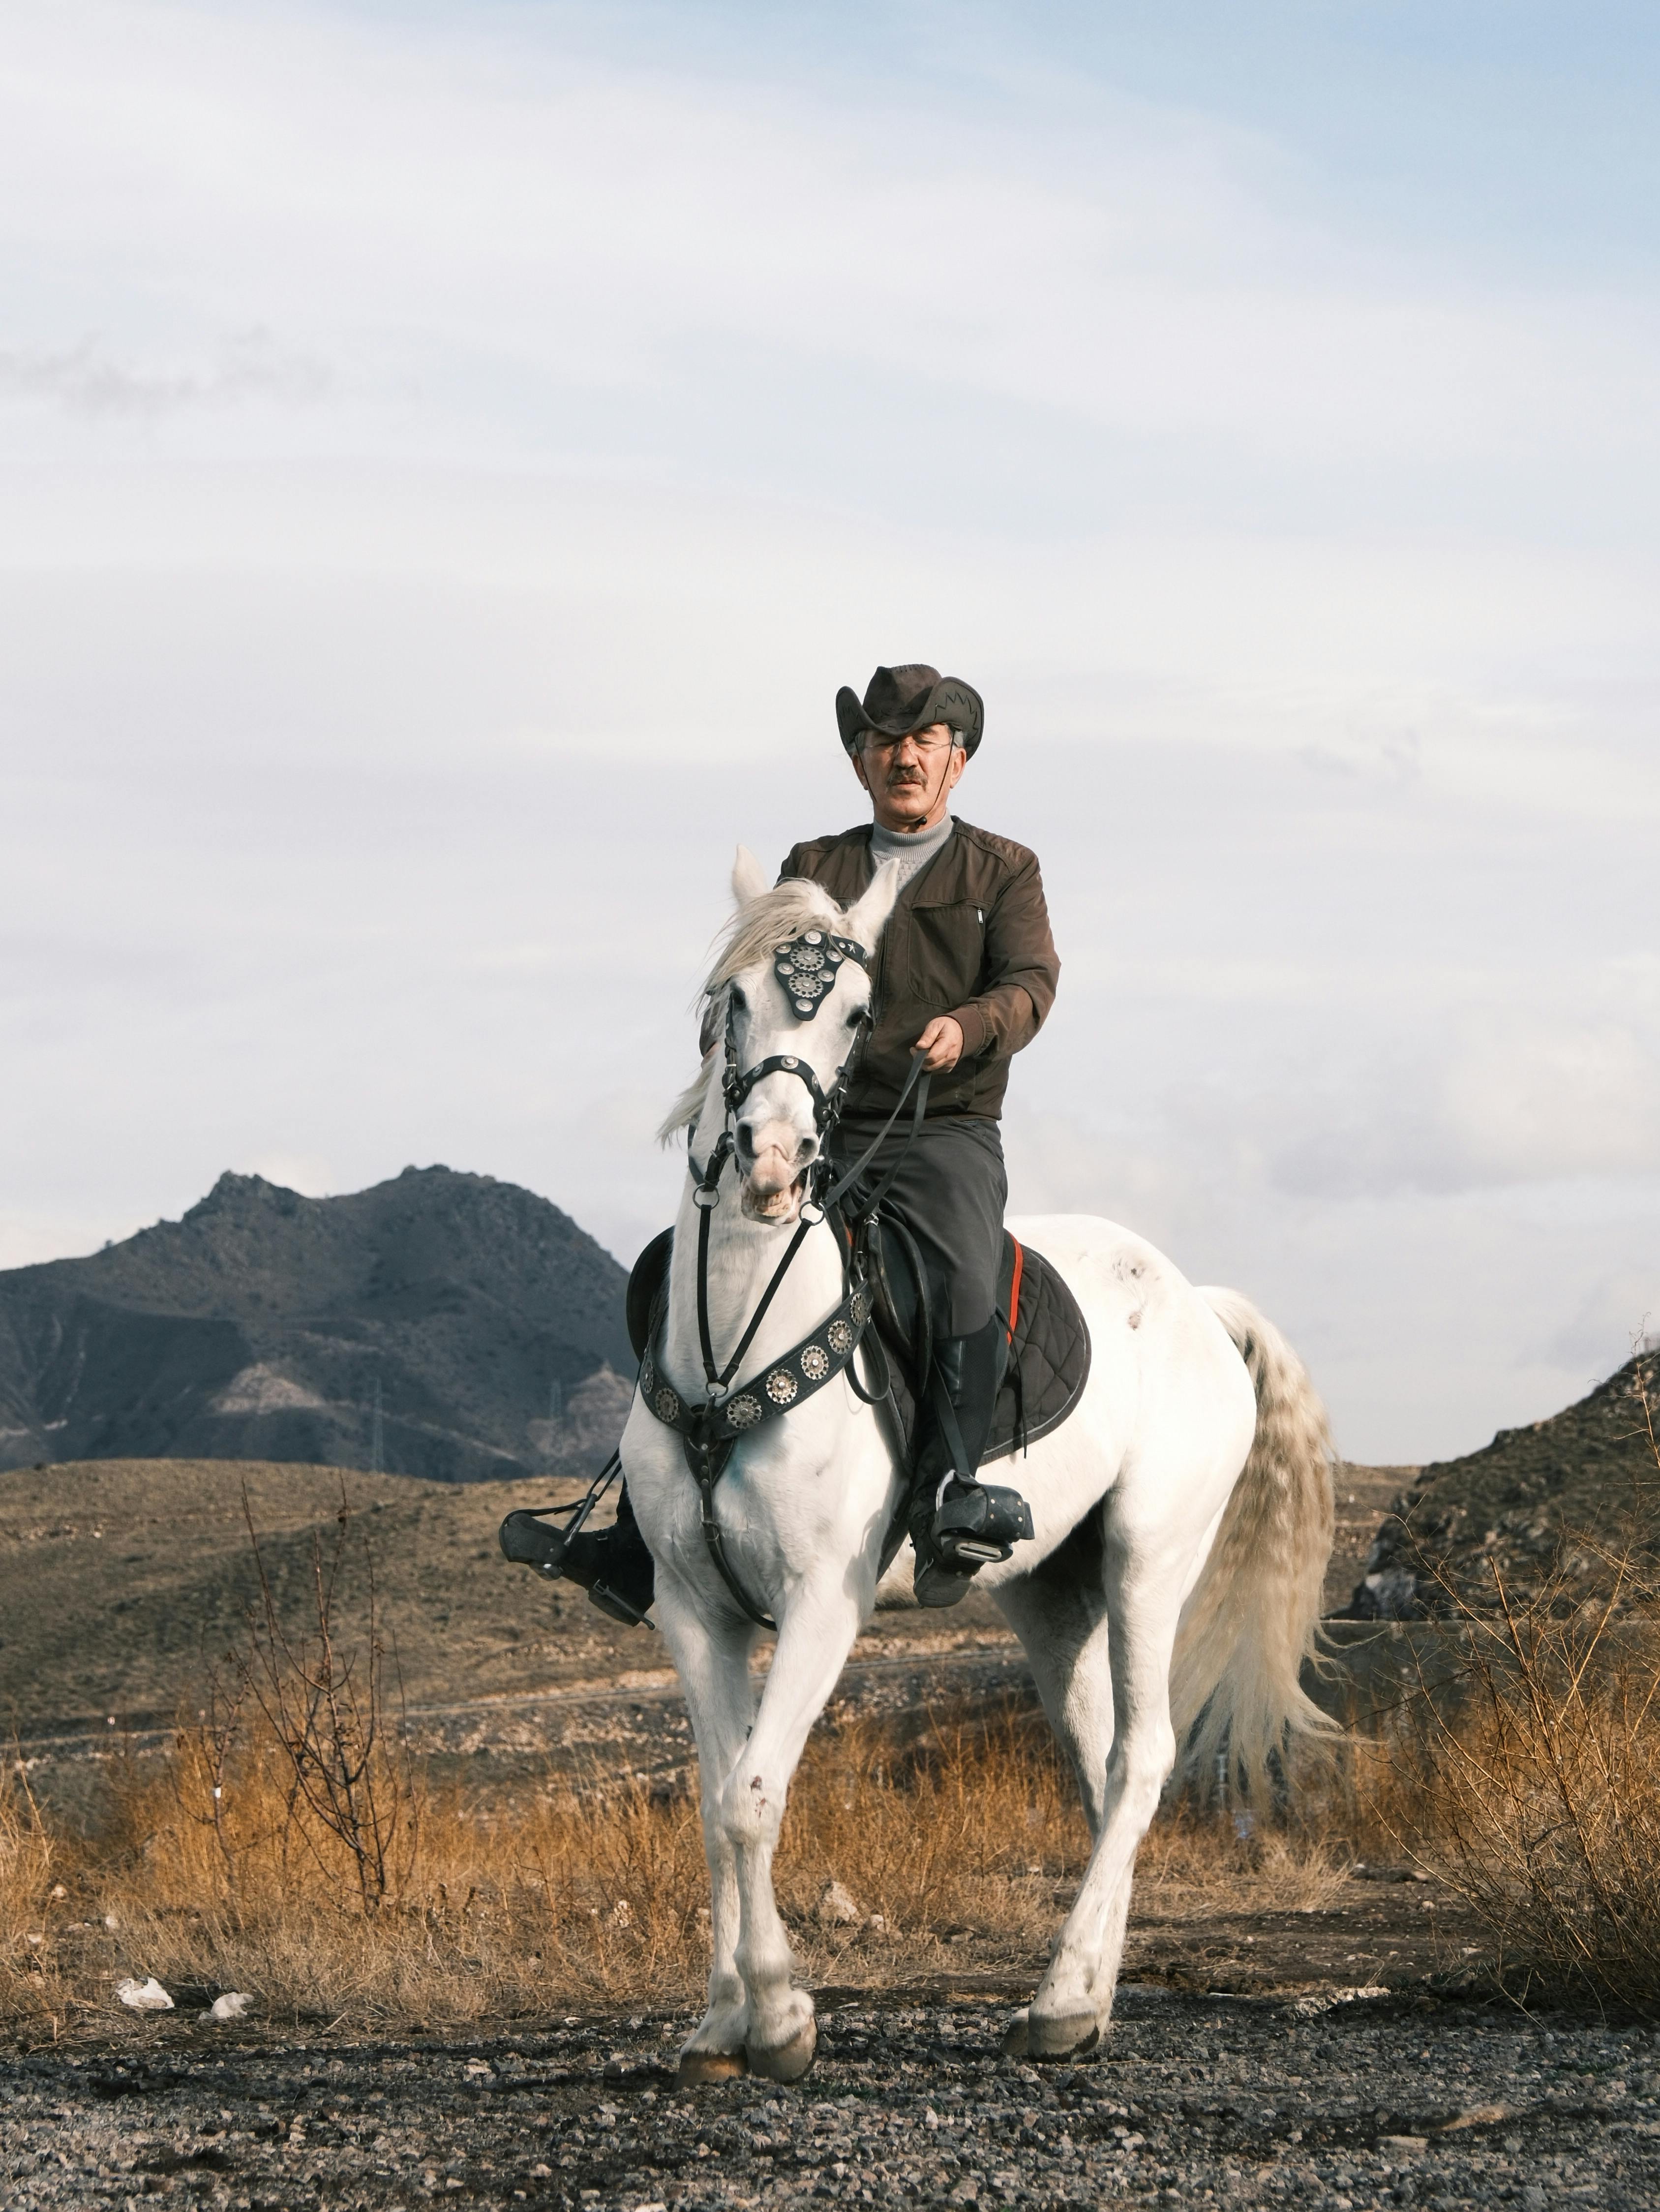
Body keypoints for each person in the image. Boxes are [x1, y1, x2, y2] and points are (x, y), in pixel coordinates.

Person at [529, 663, 1061, 1619]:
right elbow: (754, 973)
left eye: (925, 741)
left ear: (958, 760)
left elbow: (1030, 982)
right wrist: (723, 1038)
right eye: (885, 742)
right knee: (679, 1268)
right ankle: (636, 1523)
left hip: (940, 1126)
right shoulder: (813, 864)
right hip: (816, 1124)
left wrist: (971, 1024)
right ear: (860, 762)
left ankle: (951, 1489)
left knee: (962, 1273)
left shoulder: (1003, 870)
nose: (904, 758)